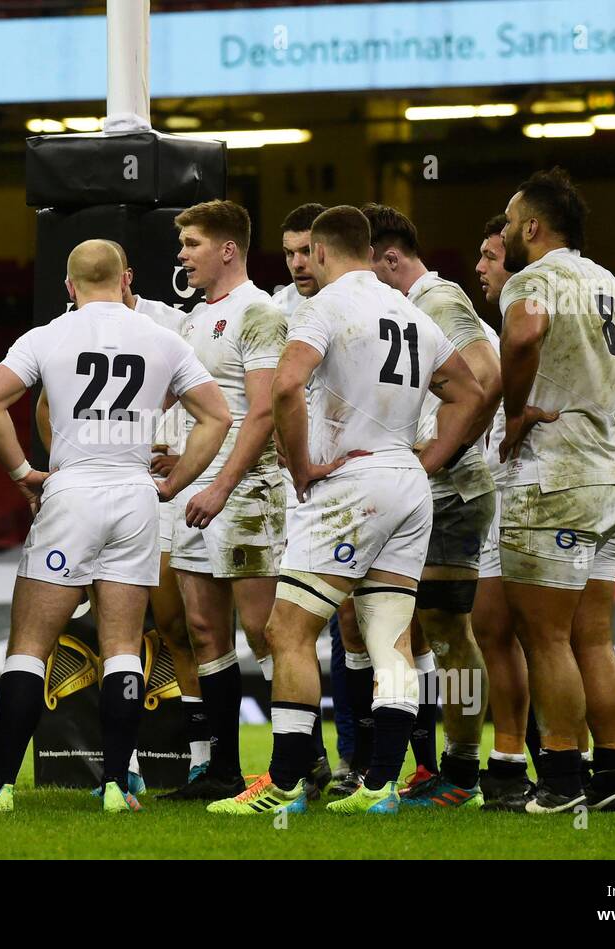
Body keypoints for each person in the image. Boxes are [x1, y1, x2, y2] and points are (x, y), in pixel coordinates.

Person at [207, 205, 483, 816]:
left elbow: (284, 386)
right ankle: (381, 783)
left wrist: (301, 465)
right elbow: (471, 392)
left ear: (325, 252)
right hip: (407, 484)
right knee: (391, 638)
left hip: (350, 482)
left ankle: (282, 784)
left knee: (288, 630)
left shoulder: (325, 308)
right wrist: (431, 457)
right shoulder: (412, 314)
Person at [0, 239, 231, 814]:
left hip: (72, 490)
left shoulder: (48, 336)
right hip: (136, 496)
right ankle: (114, 786)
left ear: (69, 287)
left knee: (29, 650)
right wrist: (176, 482)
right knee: (123, 651)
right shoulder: (163, 339)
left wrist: (20, 472)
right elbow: (219, 415)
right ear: (126, 280)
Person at [498, 167, 615, 812]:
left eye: (507, 220)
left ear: (531, 226)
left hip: (555, 477)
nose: (503, 230)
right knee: (593, 637)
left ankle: (559, 781)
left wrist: (517, 408)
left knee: (548, 638)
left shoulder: (534, 281)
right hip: (612, 481)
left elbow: (523, 334)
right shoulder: (612, 285)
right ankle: (613, 779)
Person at [35, 244, 203, 793]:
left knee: (179, 627)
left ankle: (201, 756)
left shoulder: (170, 323)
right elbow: (43, 408)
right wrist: (64, 462)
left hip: (157, 493)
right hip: (123, 491)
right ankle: (122, 771)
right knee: (115, 633)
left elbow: (209, 402)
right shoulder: (69, 326)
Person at [361, 203, 502, 808]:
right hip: (424, 489)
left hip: (450, 492)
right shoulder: (406, 309)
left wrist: (435, 457)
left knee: (448, 631)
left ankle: (465, 772)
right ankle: (428, 765)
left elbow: (488, 377)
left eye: (366, 270)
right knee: (412, 626)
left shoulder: (438, 302)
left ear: (391, 260)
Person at [160, 200, 288, 802]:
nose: (182, 254)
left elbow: (263, 411)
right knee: (206, 631)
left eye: (191, 243)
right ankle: (223, 770)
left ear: (227, 249)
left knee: (264, 632)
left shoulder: (260, 313)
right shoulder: (190, 320)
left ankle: (298, 763)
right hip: (197, 494)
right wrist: (182, 467)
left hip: (247, 491)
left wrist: (220, 485)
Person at [270, 201, 344, 795]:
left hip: (352, 482)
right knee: (297, 629)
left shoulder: (347, 306)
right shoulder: (279, 309)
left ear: (324, 249)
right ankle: (317, 761)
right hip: (300, 492)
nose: (297, 263)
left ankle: (371, 764)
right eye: (288, 252)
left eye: (305, 251)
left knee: (365, 627)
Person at [471, 213, 541, 809]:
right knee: (492, 628)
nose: (481, 268)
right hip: (501, 495)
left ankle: (562, 767)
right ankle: (512, 764)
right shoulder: (501, 334)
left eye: (491, 256)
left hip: (537, 494)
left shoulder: (530, 330)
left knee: (548, 637)